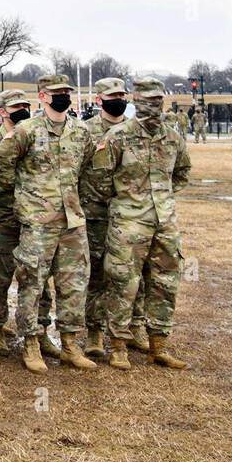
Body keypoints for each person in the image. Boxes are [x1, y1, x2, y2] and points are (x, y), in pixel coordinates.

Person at [0, 75, 98, 374]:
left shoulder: (81, 131)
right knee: (32, 282)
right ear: (43, 96)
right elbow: (2, 165)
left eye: (66, 91)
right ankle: (31, 343)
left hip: (72, 222)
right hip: (38, 222)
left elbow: (87, 169)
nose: (63, 96)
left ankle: (70, 345)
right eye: (57, 92)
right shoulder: (27, 130)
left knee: (73, 284)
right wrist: (25, 197)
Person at [88, 77, 192, 371]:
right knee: (123, 283)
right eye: (147, 101)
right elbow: (99, 180)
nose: (153, 106)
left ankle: (159, 345)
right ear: (136, 102)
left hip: (165, 223)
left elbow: (182, 172)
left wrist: (161, 197)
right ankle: (118, 346)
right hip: (128, 223)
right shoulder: (118, 136)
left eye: (158, 100)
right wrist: (126, 200)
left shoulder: (172, 137)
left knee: (165, 283)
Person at [77, 77, 145, 357]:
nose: (119, 100)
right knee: (95, 273)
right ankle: (94, 332)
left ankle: (133, 328)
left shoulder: (136, 130)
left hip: (130, 215)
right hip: (95, 214)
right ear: (99, 100)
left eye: (122, 95)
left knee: (132, 274)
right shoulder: (85, 131)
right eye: (112, 96)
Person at [0, 89, 52, 354]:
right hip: (3, 217)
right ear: (2, 112)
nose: (23, 110)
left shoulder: (37, 135)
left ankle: (41, 329)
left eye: (25, 105)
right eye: (16, 107)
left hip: (35, 218)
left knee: (38, 276)